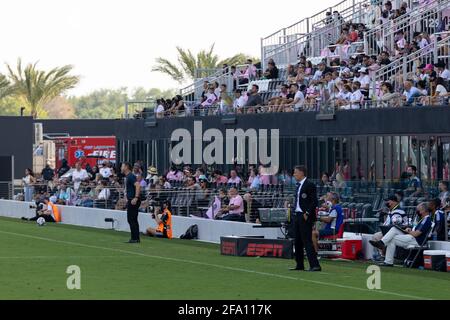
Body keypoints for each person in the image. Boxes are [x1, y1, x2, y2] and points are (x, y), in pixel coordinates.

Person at [370, 202, 432, 267]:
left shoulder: (426, 220)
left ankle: (387, 259)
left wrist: (408, 232)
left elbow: (416, 234)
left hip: (416, 241)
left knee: (391, 239)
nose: (417, 211)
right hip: (411, 237)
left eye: (418, 209)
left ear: (424, 210)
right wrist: (409, 230)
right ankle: (382, 244)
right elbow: (415, 231)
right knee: (394, 229)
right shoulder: (422, 219)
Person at [290, 165, 321, 271]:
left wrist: (307, 213)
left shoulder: (309, 185)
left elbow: (314, 201)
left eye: (296, 172)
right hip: (297, 215)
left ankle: (315, 265)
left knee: (307, 240)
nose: (294, 175)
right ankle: (299, 264)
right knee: (297, 241)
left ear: (302, 173)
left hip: (304, 216)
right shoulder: (298, 185)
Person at [371, 195, 406, 261]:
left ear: (393, 201)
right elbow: (387, 223)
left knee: (377, 236)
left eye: (388, 201)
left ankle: (383, 256)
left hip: (398, 232)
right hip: (390, 230)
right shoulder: (392, 210)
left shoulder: (398, 211)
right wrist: (385, 214)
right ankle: (383, 255)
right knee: (376, 236)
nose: (386, 202)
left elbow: (395, 225)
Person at [121, 162, 142, 243]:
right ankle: (135, 238)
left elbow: (138, 185)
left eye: (122, 166)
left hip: (133, 200)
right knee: (133, 219)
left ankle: (135, 238)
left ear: (126, 167)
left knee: (131, 219)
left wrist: (136, 197)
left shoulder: (130, 176)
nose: (121, 168)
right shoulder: (129, 176)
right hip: (131, 199)